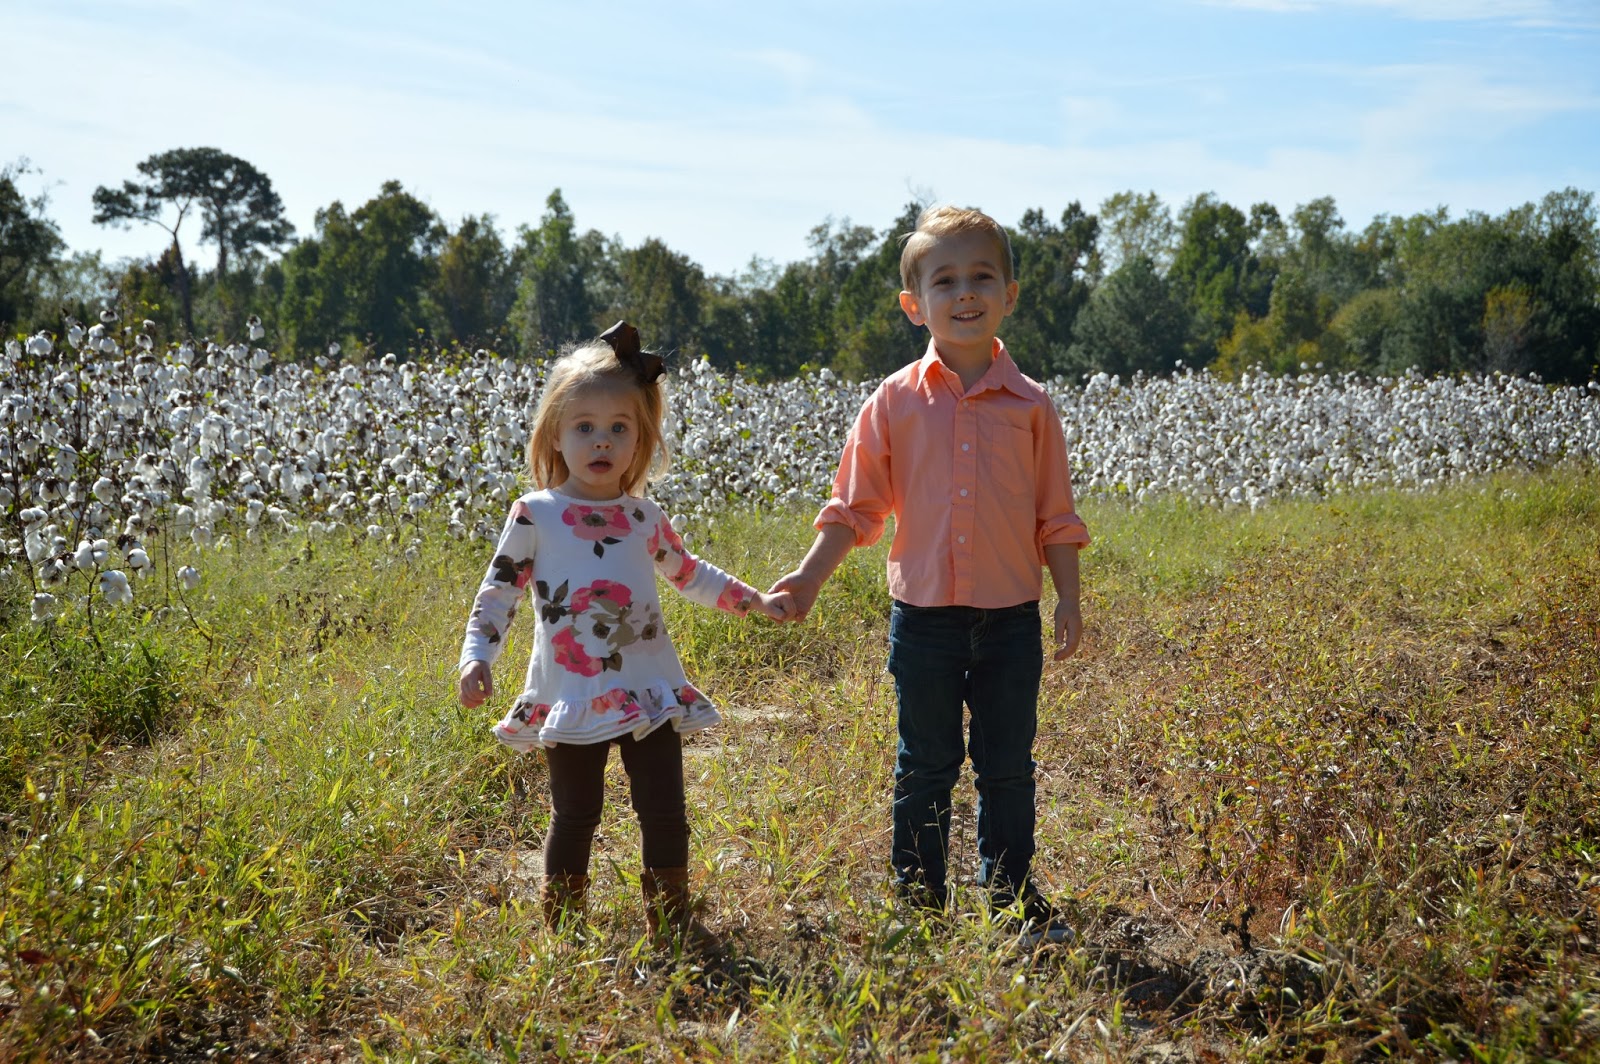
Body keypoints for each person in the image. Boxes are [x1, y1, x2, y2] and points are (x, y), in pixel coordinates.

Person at [771, 205, 1090, 945]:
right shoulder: (894, 402)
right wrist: (810, 578)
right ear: (915, 306)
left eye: (982, 276)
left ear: (1010, 293)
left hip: (1012, 620)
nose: (965, 292)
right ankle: (918, 906)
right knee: (925, 766)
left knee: (1007, 767)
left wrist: (1068, 595)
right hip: (924, 625)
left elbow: (1057, 516)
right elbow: (854, 507)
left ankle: (1011, 898)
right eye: (944, 280)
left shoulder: (1033, 406)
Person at [458, 321, 792, 950]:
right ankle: (564, 930)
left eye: (619, 427)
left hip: (648, 690)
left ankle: (668, 919)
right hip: (570, 691)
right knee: (575, 813)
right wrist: (477, 657)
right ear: (555, 433)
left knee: (665, 810)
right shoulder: (536, 513)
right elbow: (498, 591)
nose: (601, 440)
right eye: (584, 426)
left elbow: (689, 574)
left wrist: (755, 601)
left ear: (641, 440)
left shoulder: (644, 517)